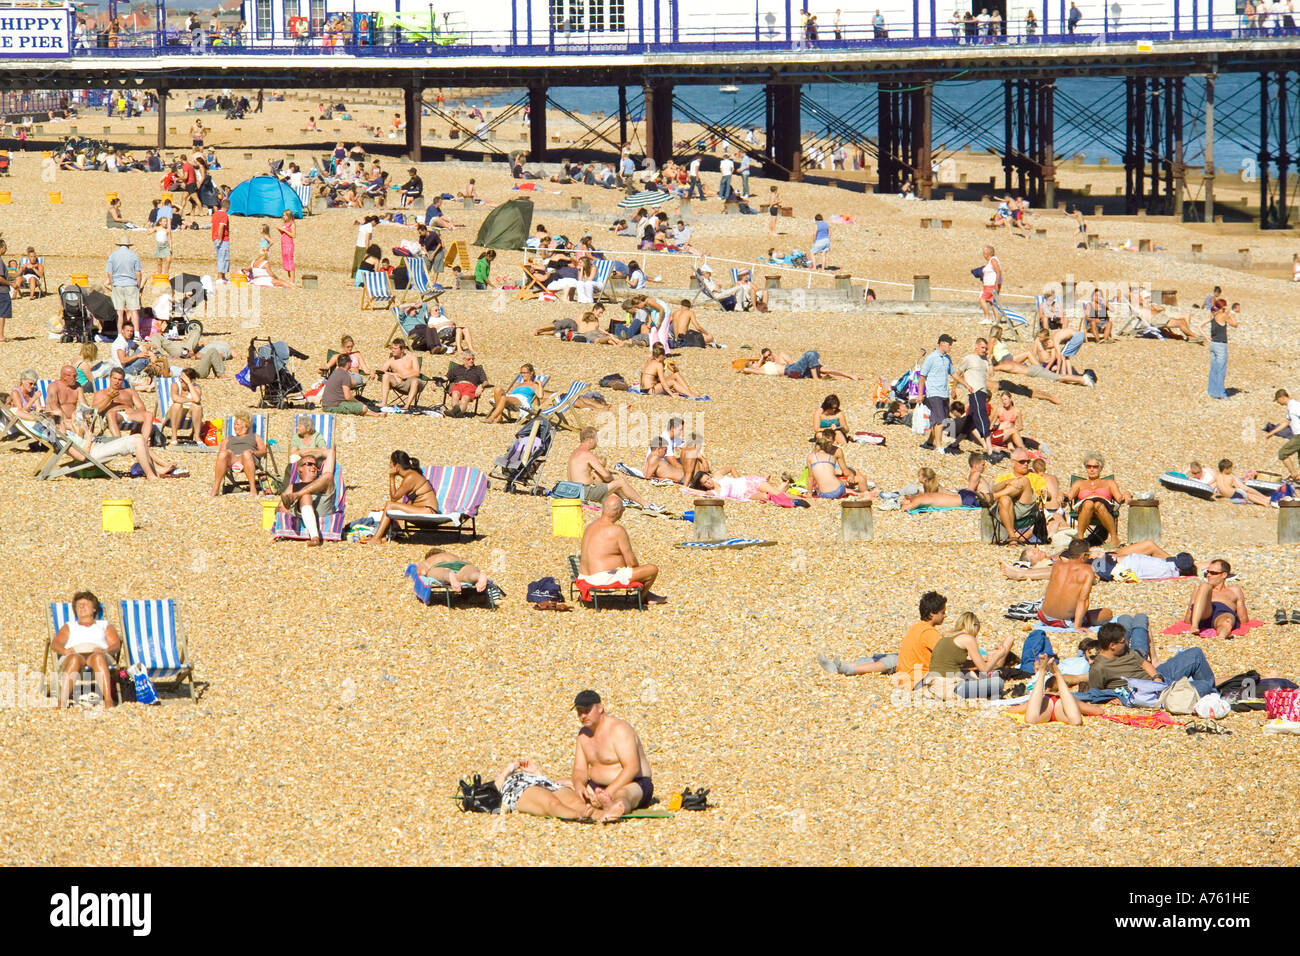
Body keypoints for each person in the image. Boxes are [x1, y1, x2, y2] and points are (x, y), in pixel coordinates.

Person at [571, 690, 655, 822]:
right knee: (562, 785)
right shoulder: (583, 735)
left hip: (633, 783)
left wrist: (608, 793)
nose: (583, 715)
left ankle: (615, 808)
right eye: (579, 712)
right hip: (597, 786)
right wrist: (579, 785)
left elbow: (632, 768)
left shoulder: (619, 730)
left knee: (622, 795)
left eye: (587, 710)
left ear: (600, 708)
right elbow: (579, 769)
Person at [1089, 617, 1217, 697]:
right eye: (1123, 641)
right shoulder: (1099, 667)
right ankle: (1212, 693)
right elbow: (1096, 693)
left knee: (1196, 653)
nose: (1126, 643)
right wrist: (1112, 700)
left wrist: (1156, 677)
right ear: (1112, 645)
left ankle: (1213, 694)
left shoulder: (1124, 651)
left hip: (1158, 677)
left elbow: (1144, 663)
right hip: (1150, 692)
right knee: (1203, 686)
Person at [577, 495, 665, 604]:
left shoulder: (590, 526)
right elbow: (632, 563)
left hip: (584, 576)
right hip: (601, 579)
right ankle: (641, 598)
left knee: (627, 569)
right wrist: (637, 573)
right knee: (652, 569)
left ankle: (647, 594)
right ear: (619, 511)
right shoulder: (617, 530)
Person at [51, 591, 121, 709]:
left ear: (94, 609)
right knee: (74, 659)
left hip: (98, 654)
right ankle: (61, 703)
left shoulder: (104, 625)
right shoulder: (69, 626)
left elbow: (116, 645)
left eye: (86, 604)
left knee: (98, 657)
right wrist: (65, 651)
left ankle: (108, 701)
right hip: (75, 654)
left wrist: (106, 651)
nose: (82, 607)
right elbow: (56, 643)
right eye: (79, 605)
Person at [921, 611, 1014, 699]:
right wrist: (999, 655)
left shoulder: (946, 637)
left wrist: (982, 661)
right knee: (999, 683)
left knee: (971, 675)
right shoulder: (968, 639)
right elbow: (984, 669)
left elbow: (956, 664)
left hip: (933, 686)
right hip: (950, 689)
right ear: (974, 626)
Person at [568, 427, 659, 511]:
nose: (597, 442)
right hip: (586, 493)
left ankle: (626, 499)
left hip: (574, 491)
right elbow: (606, 475)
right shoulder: (587, 454)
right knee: (620, 482)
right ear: (590, 440)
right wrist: (613, 478)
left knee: (598, 475)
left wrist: (614, 472)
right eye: (596, 439)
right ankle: (646, 505)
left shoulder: (574, 453)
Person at [1038, 538, 1112, 630]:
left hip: (1043, 616)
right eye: (1088, 555)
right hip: (1063, 621)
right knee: (1107, 613)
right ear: (1083, 555)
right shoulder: (1087, 571)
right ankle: (1074, 622)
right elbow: (1083, 600)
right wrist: (1077, 626)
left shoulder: (1057, 565)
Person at [918, 333, 968, 451]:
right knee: (940, 421)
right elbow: (922, 376)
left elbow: (954, 373)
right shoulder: (931, 358)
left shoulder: (947, 358)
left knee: (940, 421)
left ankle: (929, 443)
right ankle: (939, 446)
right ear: (942, 344)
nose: (951, 347)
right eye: (949, 344)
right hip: (933, 393)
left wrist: (966, 385)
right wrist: (920, 394)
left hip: (944, 393)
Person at [279, 448, 337, 546]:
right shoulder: (293, 486)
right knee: (306, 497)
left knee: (328, 476)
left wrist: (311, 453)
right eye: (309, 464)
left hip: (322, 505)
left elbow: (330, 452)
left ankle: (298, 495)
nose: (314, 467)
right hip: (303, 509)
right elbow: (281, 507)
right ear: (299, 469)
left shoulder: (321, 480)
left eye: (316, 465)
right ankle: (315, 538)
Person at [892, 591, 947, 690]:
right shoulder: (929, 632)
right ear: (932, 614)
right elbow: (948, 658)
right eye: (942, 612)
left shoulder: (915, 628)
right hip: (918, 680)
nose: (944, 616)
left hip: (904, 678)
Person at [1183, 558, 1249, 639]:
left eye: (1213, 573)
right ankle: (1194, 626)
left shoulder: (1234, 591)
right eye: (1207, 572)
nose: (1208, 575)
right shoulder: (1200, 590)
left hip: (1222, 614)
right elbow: (1187, 618)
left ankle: (1222, 636)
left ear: (1224, 575)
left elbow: (1243, 619)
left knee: (1227, 621)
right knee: (1205, 586)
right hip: (1204, 614)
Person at [901, 456, 990, 510]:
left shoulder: (929, 487)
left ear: (924, 478)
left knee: (987, 498)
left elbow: (926, 499)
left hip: (960, 497)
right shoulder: (931, 485)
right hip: (959, 496)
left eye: (919, 476)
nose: (918, 477)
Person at [212, 411, 268, 495]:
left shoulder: (255, 436)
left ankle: (253, 489)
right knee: (223, 454)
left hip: (249, 458)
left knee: (246, 453)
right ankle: (215, 488)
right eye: (234, 424)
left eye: (237, 424)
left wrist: (253, 452)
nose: (234, 426)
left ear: (245, 425)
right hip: (232, 459)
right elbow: (221, 453)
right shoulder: (228, 438)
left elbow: (263, 451)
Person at [806, 431, 870, 499]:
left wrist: (850, 475)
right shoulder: (816, 451)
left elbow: (844, 469)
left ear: (834, 441)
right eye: (825, 442)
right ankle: (856, 493)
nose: (826, 445)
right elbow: (814, 473)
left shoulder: (837, 451)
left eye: (829, 443)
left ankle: (865, 495)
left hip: (835, 476)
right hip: (824, 479)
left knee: (861, 479)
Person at [320, 352, 383, 417]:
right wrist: (358, 403)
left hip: (328, 403)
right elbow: (348, 396)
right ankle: (374, 414)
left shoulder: (336, 372)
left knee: (360, 406)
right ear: (348, 363)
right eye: (351, 362)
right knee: (363, 407)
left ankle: (373, 414)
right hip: (333, 406)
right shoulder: (345, 375)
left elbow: (352, 386)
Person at [740, 348, 861, 381]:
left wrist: (760, 362)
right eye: (753, 363)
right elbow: (746, 369)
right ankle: (816, 380)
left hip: (793, 369)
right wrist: (760, 360)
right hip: (791, 370)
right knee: (810, 354)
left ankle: (849, 376)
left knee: (823, 370)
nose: (755, 362)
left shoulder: (765, 366)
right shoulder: (760, 370)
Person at [376, 337, 423, 412]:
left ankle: (406, 406)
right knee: (386, 376)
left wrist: (404, 376)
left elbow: (417, 373)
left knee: (415, 381)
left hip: (412, 382)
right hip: (399, 383)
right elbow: (380, 371)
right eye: (392, 348)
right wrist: (394, 374)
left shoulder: (412, 357)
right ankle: (384, 402)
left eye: (395, 348)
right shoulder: (391, 361)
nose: (392, 350)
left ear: (402, 349)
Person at [1202, 299, 1236, 399]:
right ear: (1223, 307)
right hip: (1221, 345)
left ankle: (1211, 391)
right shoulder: (1223, 316)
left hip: (1213, 344)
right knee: (1221, 369)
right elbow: (1235, 324)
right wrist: (1231, 315)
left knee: (1214, 368)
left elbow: (1199, 325)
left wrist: (1206, 337)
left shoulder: (1213, 315)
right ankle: (1220, 393)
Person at [106, 237, 142, 330]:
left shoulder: (113, 256)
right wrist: (138, 285)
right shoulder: (134, 256)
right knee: (134, 310)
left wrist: (112, 283)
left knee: (119, 311)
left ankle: (119, 333)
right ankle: (136, 333)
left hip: (118, 284)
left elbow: (109, 273)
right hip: (131, 284)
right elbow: (138, 273)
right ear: (128, 246)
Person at [1266, 388, 1300, 480]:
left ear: (1281, 398)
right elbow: (1286, 422)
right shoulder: (1290, 407)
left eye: (1277, 400)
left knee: (1283, 453)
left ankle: (1294, 475)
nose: (1278, 403)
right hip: (1297, 435)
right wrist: (1272, 433)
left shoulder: (1295, 406)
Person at [163, 369, 203, 444]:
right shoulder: (175, 385)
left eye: (184, 378)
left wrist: (189, 384)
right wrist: (191, 399)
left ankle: (197, 437)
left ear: (190, 379)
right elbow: (175, 398)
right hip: (173, 413)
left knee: (197, 406)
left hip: (190, 413)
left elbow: (197, 399)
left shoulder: (196, 387)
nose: (181, 380)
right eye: (180, 377)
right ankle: (174, 436)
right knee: (177, 405)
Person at [443, 351, 488, 417]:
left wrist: (481, 386)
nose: (471, 361)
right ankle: (458, 413)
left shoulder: (478, 369)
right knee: (455, 394)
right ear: (463, 360)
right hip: (458, 385)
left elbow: (485, 382)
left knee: (465, 398)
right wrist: (436, 381)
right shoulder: (456, 368)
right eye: (469, 359)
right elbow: (446, 377)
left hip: (470, 386)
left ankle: (455, 413)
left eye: (473, 359)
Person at [978, 245, 1001, 325]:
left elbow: (998, 272)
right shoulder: (992, 261)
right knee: (993, 302)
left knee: (982, 299)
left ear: (987, 253)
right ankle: (996, 319)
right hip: (989, 284)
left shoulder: (993, 260)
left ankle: (987, 317)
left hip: (991, 285)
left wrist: (996, 284)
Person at [277, 209, 296, 283]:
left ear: (288, 216)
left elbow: (293, 235)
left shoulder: (292, 224)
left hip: (289, 244)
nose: (283, 217)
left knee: (290, 261)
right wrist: (280, 230)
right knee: (286, 262)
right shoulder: (284, 224)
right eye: (283, 215)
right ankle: (289, 280)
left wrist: (284, 230)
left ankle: (292, 281)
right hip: (283, 244)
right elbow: (283, 234)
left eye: (285, 215)